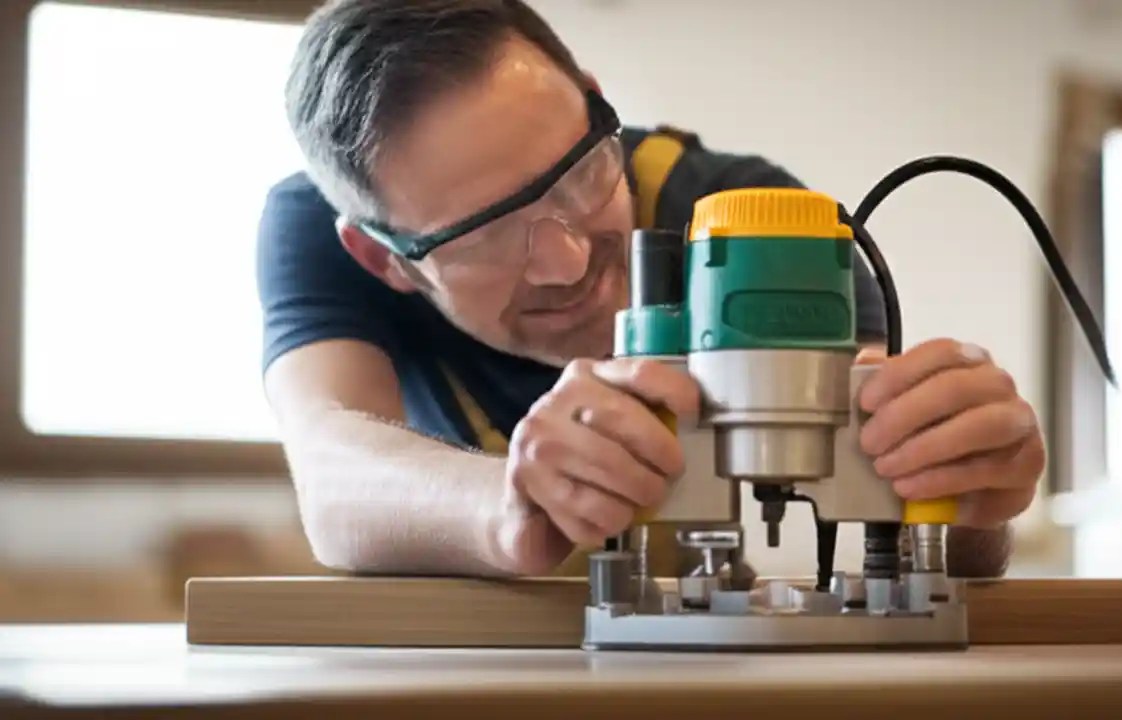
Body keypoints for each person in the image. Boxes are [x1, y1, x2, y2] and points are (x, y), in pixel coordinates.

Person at [257, 0, 1041, 580]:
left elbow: (905, 510)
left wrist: (967, 487)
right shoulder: (314, 225)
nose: (565, 262)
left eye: (576, 176)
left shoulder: (743, 215)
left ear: (593, 103)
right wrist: (511, 506)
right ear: (382, 258)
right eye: (483, 234)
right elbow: (331, 472)